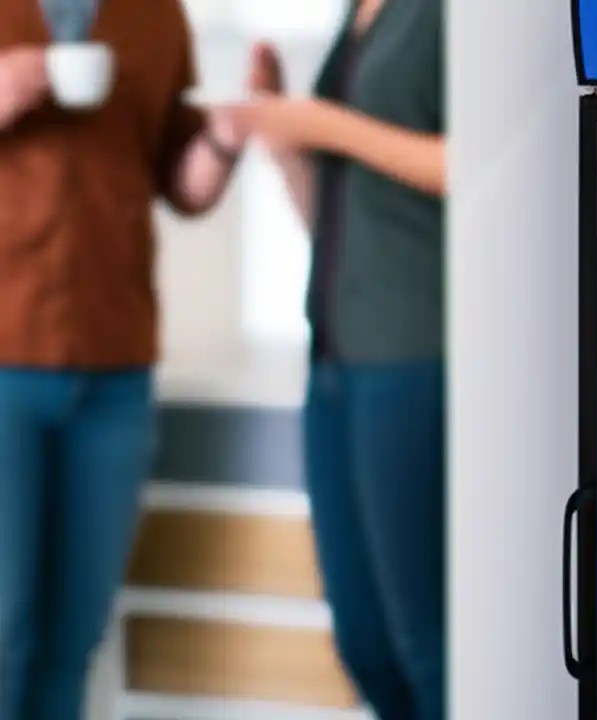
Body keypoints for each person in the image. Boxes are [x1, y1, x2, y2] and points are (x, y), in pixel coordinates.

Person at [0, 0, 255, 718]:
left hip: (116, 373)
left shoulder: (156, 15)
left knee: (73, 641)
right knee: (6, 635)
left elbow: (182, 181)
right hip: (6, 365)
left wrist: (228, 138)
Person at [235, 0, 447, 717]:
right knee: (365, 645)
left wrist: (321, 124)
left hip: (412, 353)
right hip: (335, 354)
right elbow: (330, 214)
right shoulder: (359, 12)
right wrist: (284, 139)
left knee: (429, 646)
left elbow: (471, 161)